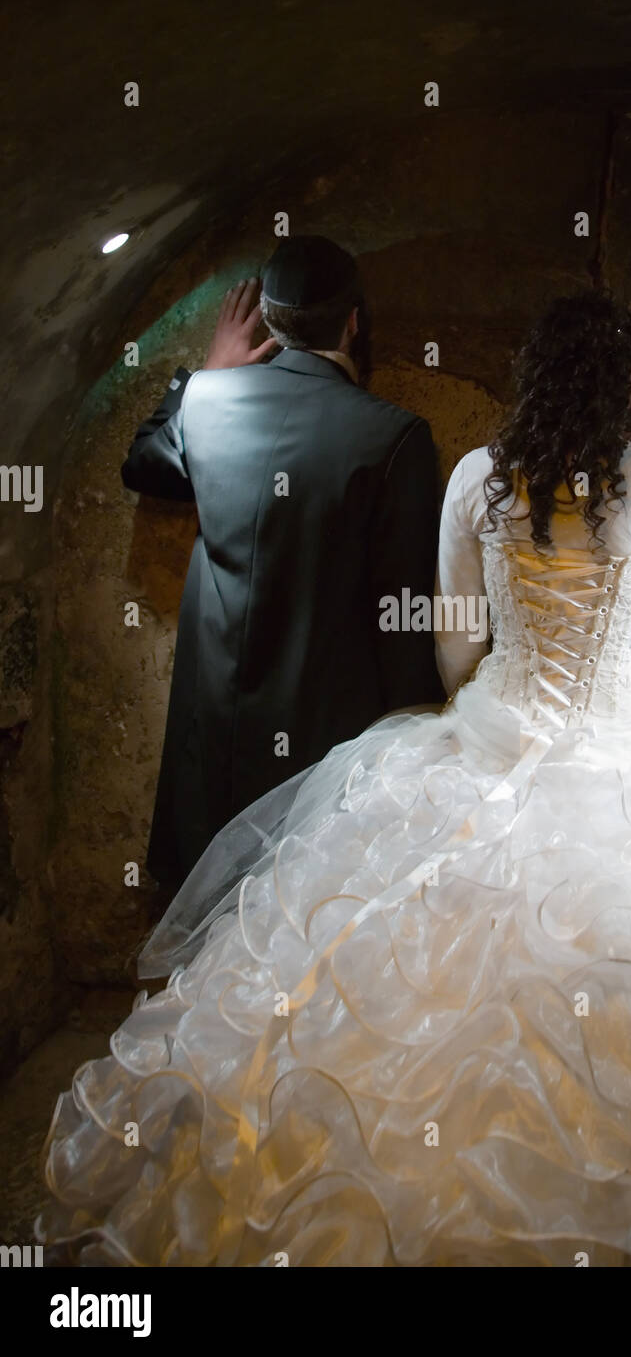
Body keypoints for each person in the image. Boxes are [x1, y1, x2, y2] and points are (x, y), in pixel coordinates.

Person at [39, 291, 631, 1267]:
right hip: (612, 759)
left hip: (491, 731)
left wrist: (473, 715)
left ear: (531, 377)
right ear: (622, 387)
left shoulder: (481, 476)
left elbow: (454, 640)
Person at [121, 236, 443, 890]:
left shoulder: (207, 402)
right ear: (354, 322)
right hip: (326, 744)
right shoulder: (395, 436)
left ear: (269, 320)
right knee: (306, 928)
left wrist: (204, 370)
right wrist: (419, 740)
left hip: (214, 731)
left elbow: (143, 464)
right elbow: (402, 615)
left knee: (212, 925)